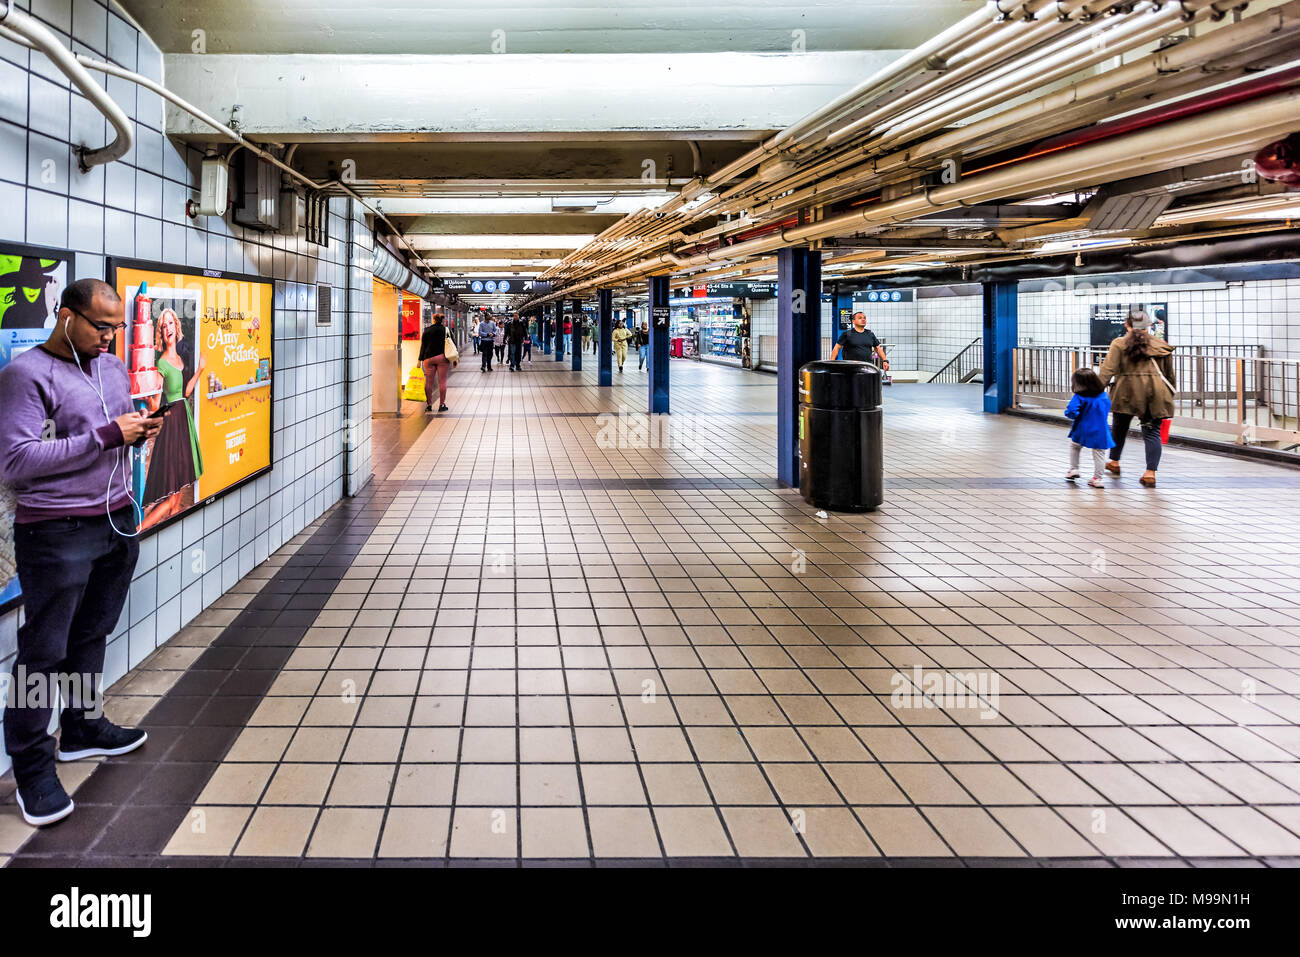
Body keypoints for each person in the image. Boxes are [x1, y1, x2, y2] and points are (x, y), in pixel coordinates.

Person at [0, 279, 161, 826]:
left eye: (116, 328)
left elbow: (114, 431)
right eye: (100, 327)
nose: (109, 338)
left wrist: (137, 432)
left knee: (92, 632)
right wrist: (106, 436)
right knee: (43, 651)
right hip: (55, 531)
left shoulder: (112, 369)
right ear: (66, 316)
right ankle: (31, 770)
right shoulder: (25, 376)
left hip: (114, 521)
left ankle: (81, 727)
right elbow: (16, 461)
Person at [1099, 309, 1176, 488]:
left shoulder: (1119, 343)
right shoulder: (1160, 344)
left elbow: (1107, 371)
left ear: (1127, 324)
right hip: (1155, 393)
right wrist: (1169, 395)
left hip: (1126, 392)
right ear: (1149, 326)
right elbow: (1169, 375)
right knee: (1151, 432)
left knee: (1119, 427)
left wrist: (1093, 391)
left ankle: (1115, 462)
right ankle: (1150, 473)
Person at [1064, 368, 1112, 489]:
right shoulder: (1104, 395)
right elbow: (1107, 408)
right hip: (1101, 429)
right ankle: (1097, 479)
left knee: (1075, 446)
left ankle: (1074, 469)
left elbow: (1071, 411)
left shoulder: (1079, 396)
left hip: (1082, 428)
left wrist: (1073, 415)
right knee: (1099, 453)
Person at [419, 312, 452, 412]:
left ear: (433, 320)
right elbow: (452, 344)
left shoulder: (427, 330)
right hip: (442, 357)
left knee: (429, 382)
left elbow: (423, 346)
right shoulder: (445, 330)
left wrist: (419, 359)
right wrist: (454, 359)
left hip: (428, 358)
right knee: (442, 382)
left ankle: (429, 405)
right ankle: (441, 404)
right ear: (442, 320)